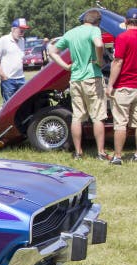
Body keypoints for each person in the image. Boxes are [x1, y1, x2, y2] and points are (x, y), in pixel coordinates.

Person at [48, 10, 109, 161]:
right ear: (98, 22)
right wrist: (100, 61)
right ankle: (101, 152)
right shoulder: (94, 30)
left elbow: (52, 51)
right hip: (92, 77)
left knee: (77, 117)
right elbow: (99, 44)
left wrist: (66, 66)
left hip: (75, 79)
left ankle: (78, 152)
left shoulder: (71, 33)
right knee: (98, 116)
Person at [105, 8, 137, 165]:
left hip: (124, 86)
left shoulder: (122, 37)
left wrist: (110, 84)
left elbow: (117, 62)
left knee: (120, 123)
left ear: (125, 21)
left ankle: (117, 156)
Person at [0, 18, 29, 103]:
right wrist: (2, 74)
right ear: (13, 29)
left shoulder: (22, 41)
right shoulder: (4, 40)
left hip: (21, 79)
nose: (22, 34)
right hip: (8, 80)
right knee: (9, 105)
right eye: (21, 31)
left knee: (23, 103)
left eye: (24, 31)